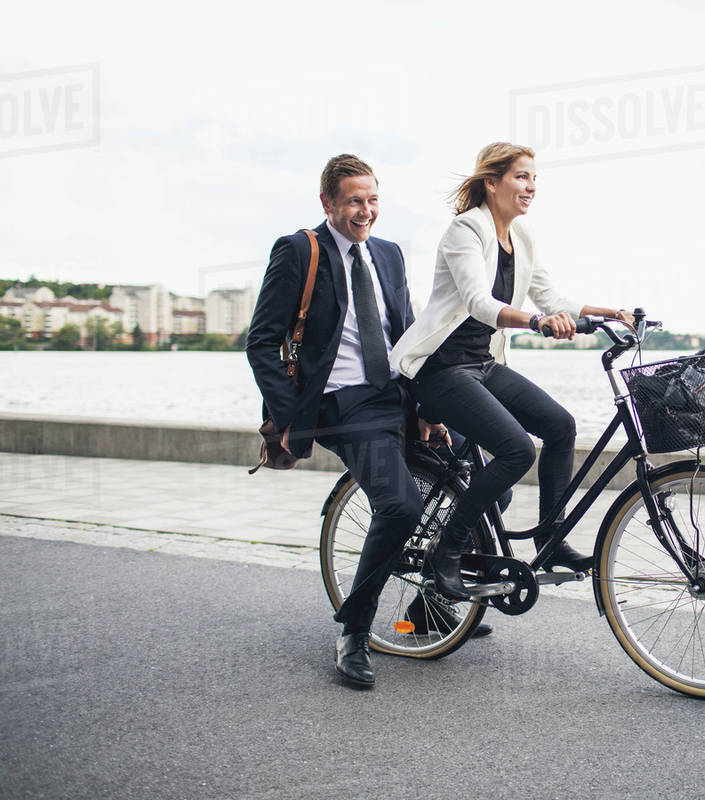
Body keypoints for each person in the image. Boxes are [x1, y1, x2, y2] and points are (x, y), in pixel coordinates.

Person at [246, 154, 489, 690]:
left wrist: (427, 406)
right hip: (343, 404)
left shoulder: (388, 254)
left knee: (485, 476)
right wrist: (288, 416)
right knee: (400, 505)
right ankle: (354, 631)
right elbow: (261, 342)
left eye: (373, 199)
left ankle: (434, 598)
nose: (366, 211)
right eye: (354, 200)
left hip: (398, 391)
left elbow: (407, 328)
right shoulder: (298, 251)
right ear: (328, 202)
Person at [390, 142, 632, 601]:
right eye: (522, 177)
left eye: (534, 178)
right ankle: (447, 551)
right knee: (517, 451)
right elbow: (481, 304)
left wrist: (609, 313)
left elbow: (551, 298)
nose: (531, 187)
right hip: (441, 370)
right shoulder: (466, 230)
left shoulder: (522, 237)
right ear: (492, 182)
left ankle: (552, 539)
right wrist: (537, 323)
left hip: (483, 365)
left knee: (560, 427)